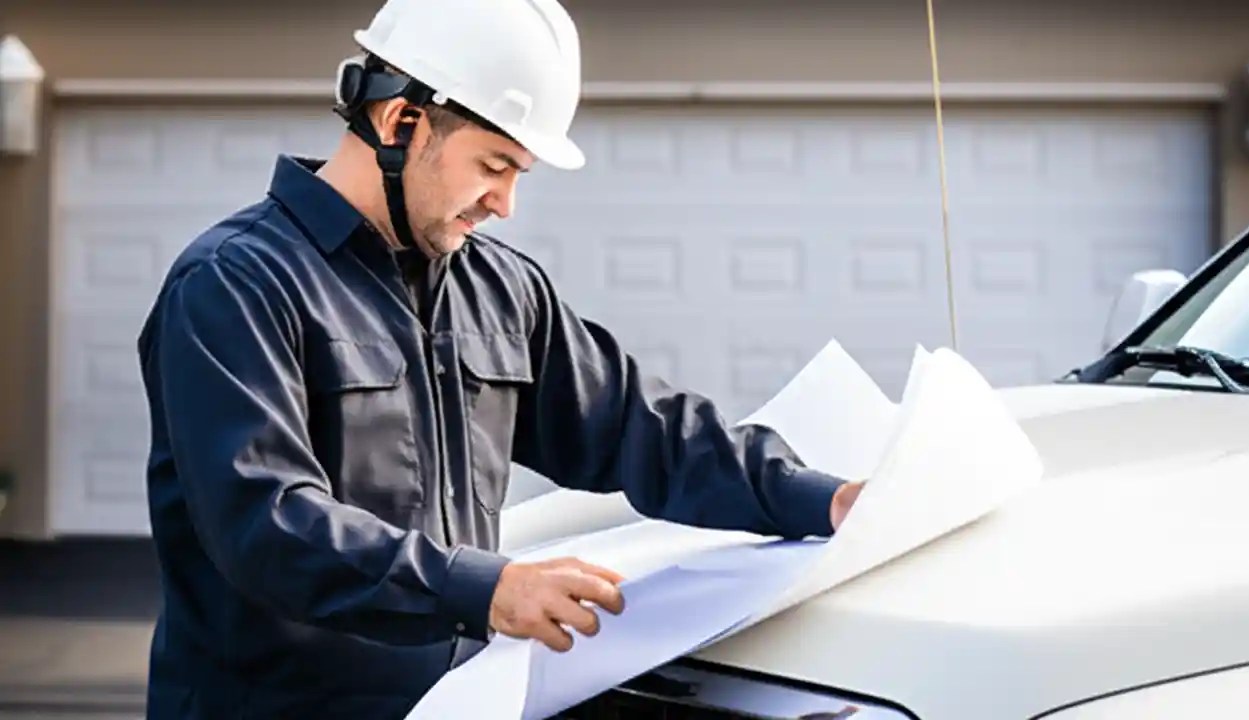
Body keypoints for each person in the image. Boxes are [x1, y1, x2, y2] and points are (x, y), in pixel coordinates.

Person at [135, 0, 863, 717]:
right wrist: (485, 589)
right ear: (401, 121)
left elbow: (643, 431)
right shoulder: (234, 286)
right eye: (494, 165)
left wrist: (821, 499)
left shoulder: (501, 291)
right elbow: (267, 525)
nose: (505, 203)